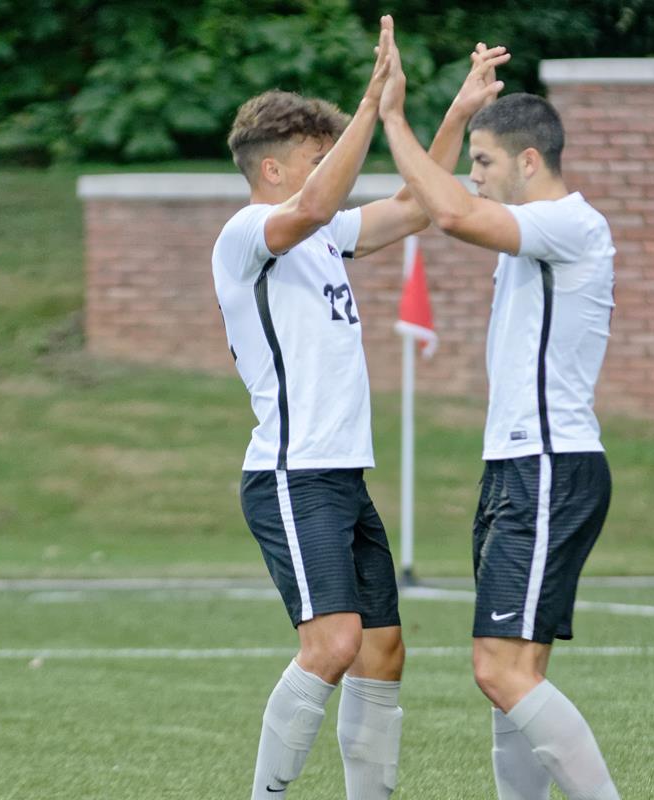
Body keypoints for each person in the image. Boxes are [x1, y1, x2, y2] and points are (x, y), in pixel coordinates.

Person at [209, 17, 508, 798]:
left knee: (382, 653)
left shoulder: (324, 235)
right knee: (334, 643)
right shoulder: (248, 232)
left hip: (342, 475)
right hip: (291, 474)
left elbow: (414, 207)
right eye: (315, 159)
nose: (330, 175)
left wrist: (453, 114)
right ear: (271, 168)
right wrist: (371, 105)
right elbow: (309, 208)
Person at [377, 45, 622, 800]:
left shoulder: (567, 223)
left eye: (482, 161)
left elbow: (446, 211)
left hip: (549, 465)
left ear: (527, 160)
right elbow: (433, 202)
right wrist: (454, 114)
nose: (472, 175)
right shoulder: (533, 224)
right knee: (515, 675)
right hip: (519, 469)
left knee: (498, 670)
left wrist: (390, 114)